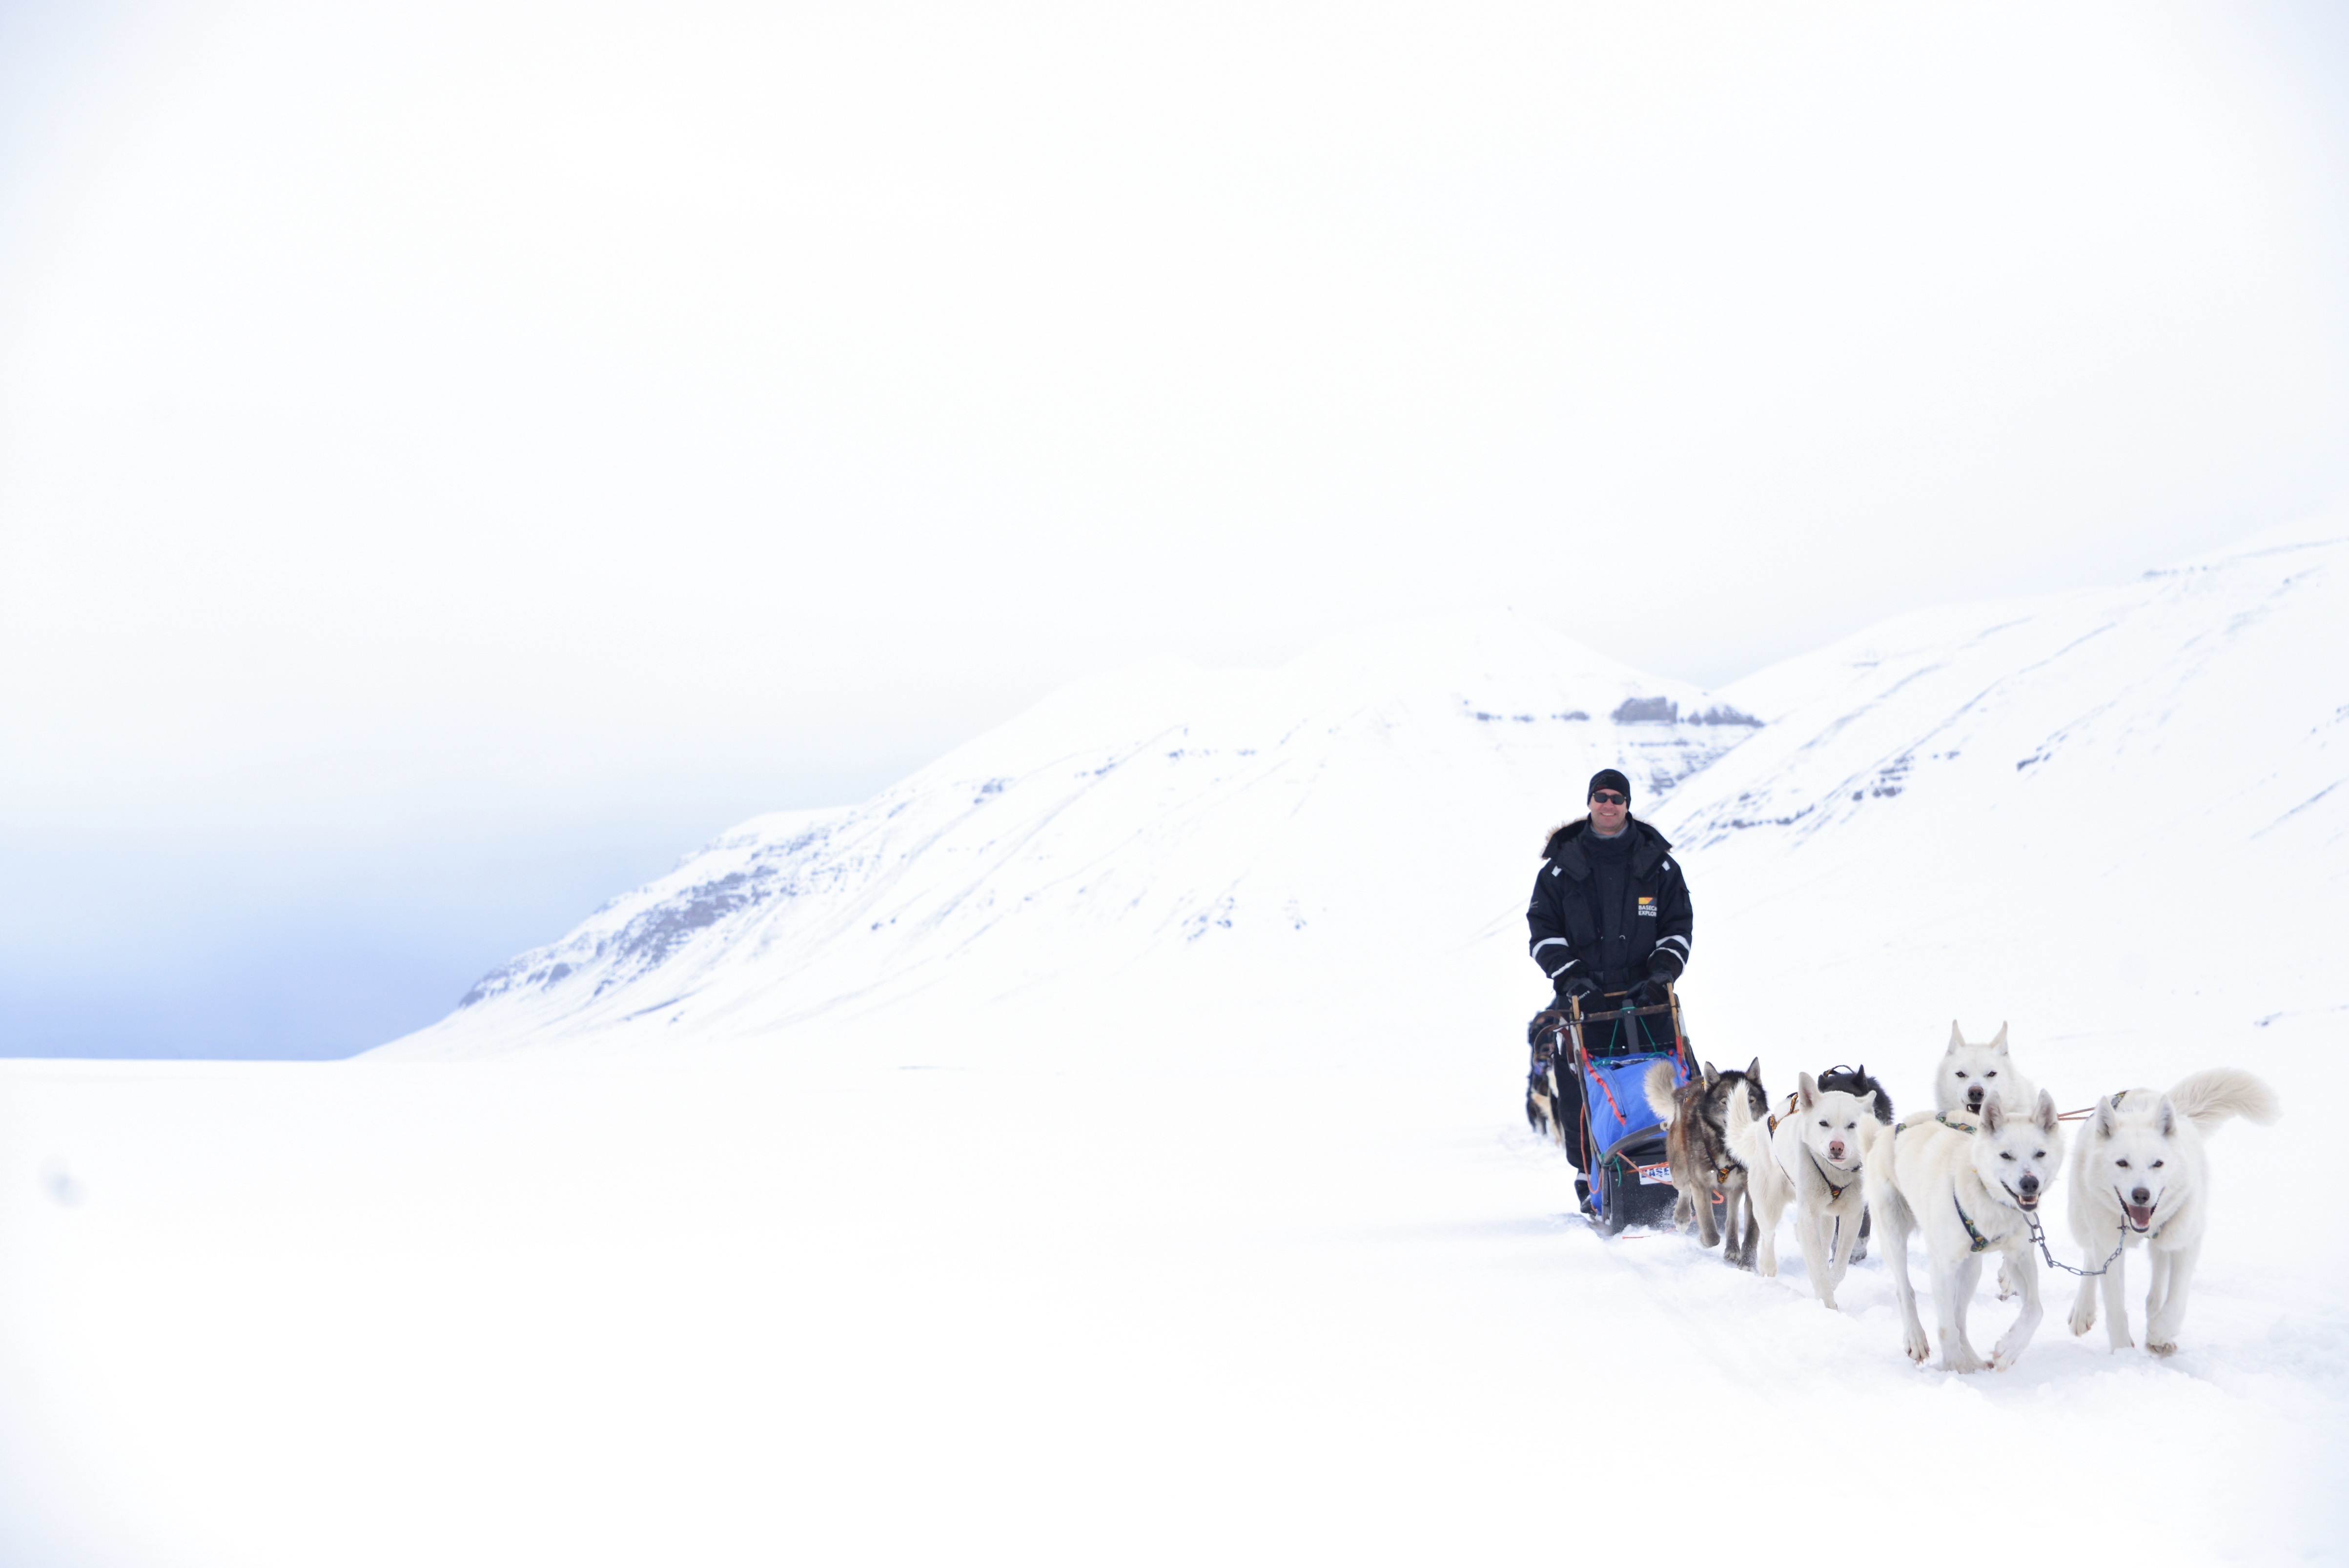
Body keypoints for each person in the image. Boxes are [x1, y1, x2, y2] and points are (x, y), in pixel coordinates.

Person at [1525, 768, 1694, 1201]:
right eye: (1600, 796)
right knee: (1580, 1086)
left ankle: (1683, 1162)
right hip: (1584, 998)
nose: (1608, 804)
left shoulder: (1657, 864)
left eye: (1617, 798)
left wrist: (1661, 975)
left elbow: (1677, 925)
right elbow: (1542, 930)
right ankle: (1589, 1174)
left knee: (1671, 1077)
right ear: (1589, 801)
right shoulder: (1561, 868)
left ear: (1627, 804)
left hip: (1649, 995)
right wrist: (1572, 980)